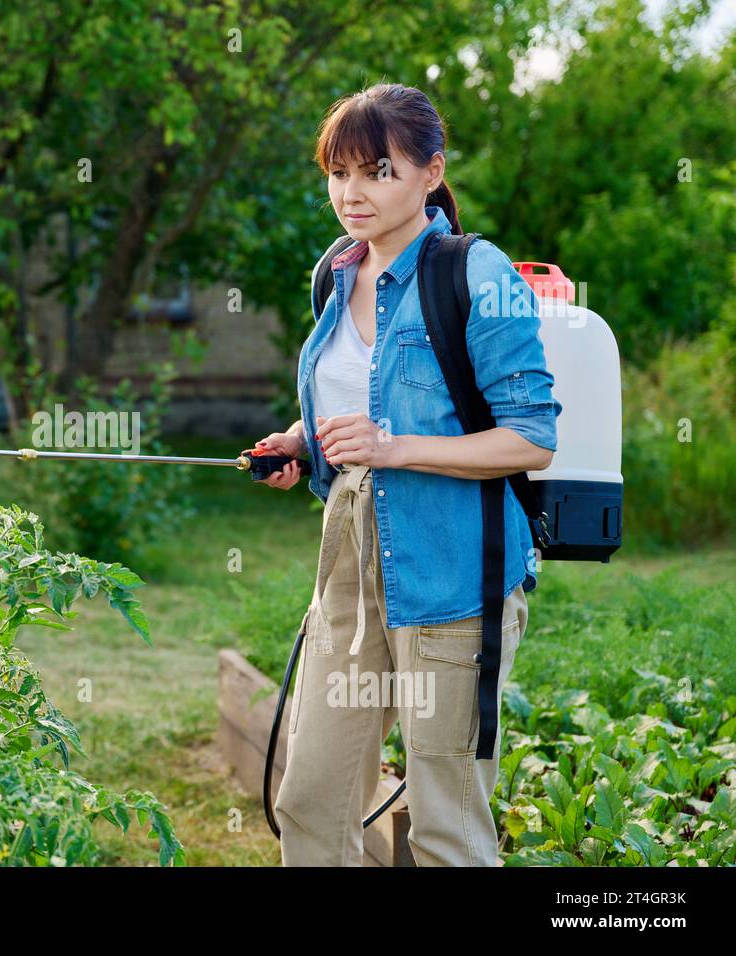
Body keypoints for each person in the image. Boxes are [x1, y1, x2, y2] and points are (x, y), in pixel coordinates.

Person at [254, 82, 561, 867]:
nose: (352, 194)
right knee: (311, 800)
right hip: (351, 570)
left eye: (377, 172)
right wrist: (299, 442)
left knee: (445, 826)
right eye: (338, 172)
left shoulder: (475, 273)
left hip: (456, 570)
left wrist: (391, 448)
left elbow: (530, 440)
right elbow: (358, 402)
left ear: (430, 172)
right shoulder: (335, 272)